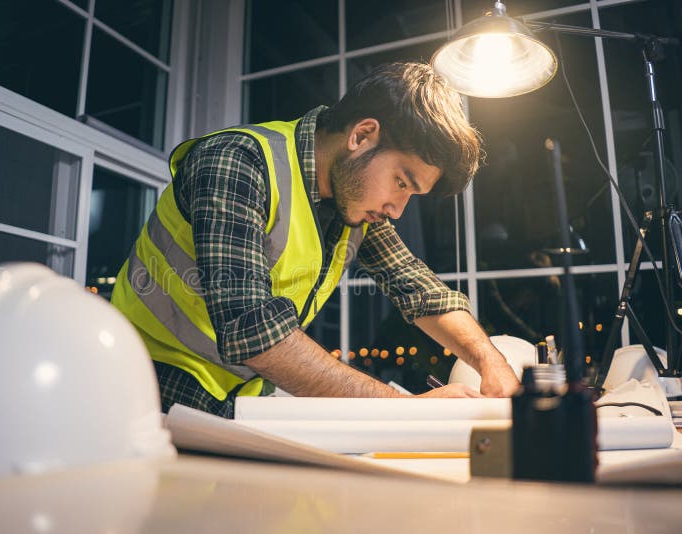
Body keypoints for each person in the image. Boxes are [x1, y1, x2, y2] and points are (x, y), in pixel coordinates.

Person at [111, 62, 520, 418]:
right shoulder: (237, 161)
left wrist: (490, 360)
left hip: (240, 396)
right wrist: (409, 408)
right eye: (401, 182)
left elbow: (417, 287)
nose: (397, 209)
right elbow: (252, 332)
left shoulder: (351, 203)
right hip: (147, 382)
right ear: (362, 135)